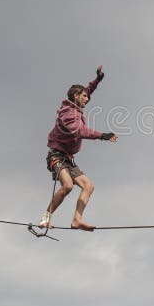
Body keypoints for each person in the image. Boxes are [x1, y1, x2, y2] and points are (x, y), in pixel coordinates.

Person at [39, 65, 118, 231]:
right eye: (83, 97)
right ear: (75, 96)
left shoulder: (76, 106)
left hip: (68, 159)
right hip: (57, 156)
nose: (87, 99)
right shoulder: (68, 114)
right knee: (67, 186)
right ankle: (45, 218)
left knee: (88, 186)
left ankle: (77, 219)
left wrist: (97, 80)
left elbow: (87, 91)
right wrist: (102, 135)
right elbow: (80, 131)